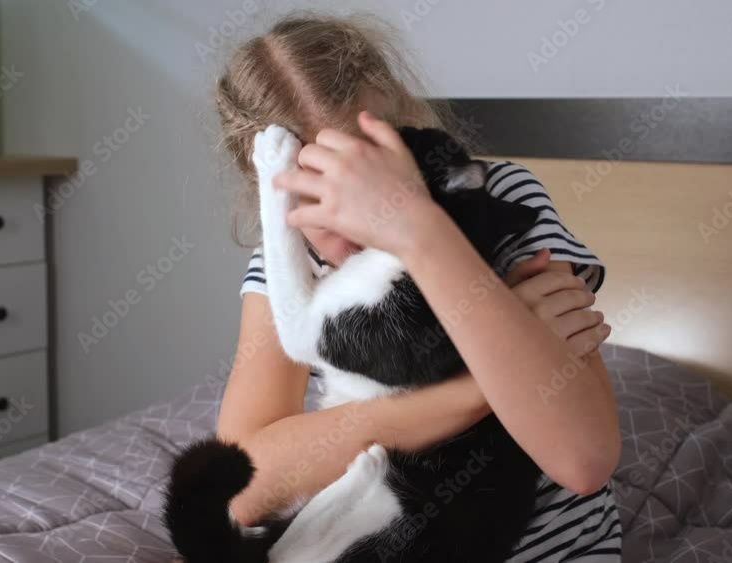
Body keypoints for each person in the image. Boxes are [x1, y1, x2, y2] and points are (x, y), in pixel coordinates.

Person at [211, 12, 622, 561]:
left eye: (373, 177)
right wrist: (475, 390)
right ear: (269, 188)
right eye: (324, 207)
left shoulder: (495, 203)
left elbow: (584, 459)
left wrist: (421, 232)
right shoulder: (287, 263)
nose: (361, 226)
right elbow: (237, 494)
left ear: (402, 115)